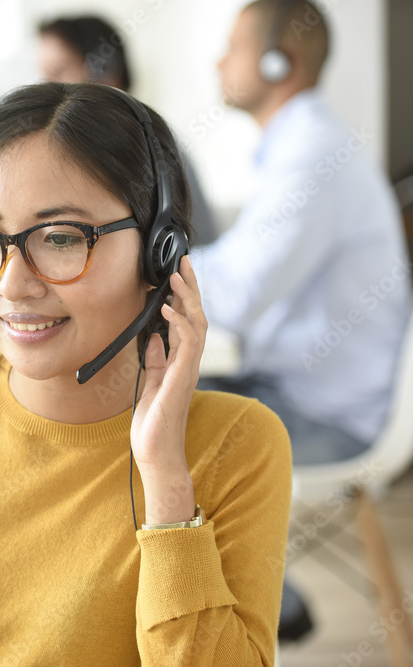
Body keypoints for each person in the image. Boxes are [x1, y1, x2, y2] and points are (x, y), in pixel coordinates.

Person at [0, 82, 291, 664]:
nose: (11, 285)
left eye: (60, 238)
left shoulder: (238, 444)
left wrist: (165, 479)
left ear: (161, 252)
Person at [193, 0, 413, 640]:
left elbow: (234, 295)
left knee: (144, 417)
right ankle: (252, 595)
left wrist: (135, 269)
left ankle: (249, 608)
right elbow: (235, 268)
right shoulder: (298, 144)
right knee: (146, 399)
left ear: (275, 58)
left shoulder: (312, 153)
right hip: (305, 392)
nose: (219, 61)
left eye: (233, 46)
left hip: (333, 420)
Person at [38, 15, 221, 246]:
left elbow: (202, 251)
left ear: (105, 70)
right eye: (43, 74)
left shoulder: (158, 151)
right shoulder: (49, 152)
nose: (45, 88)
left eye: (59, 71)